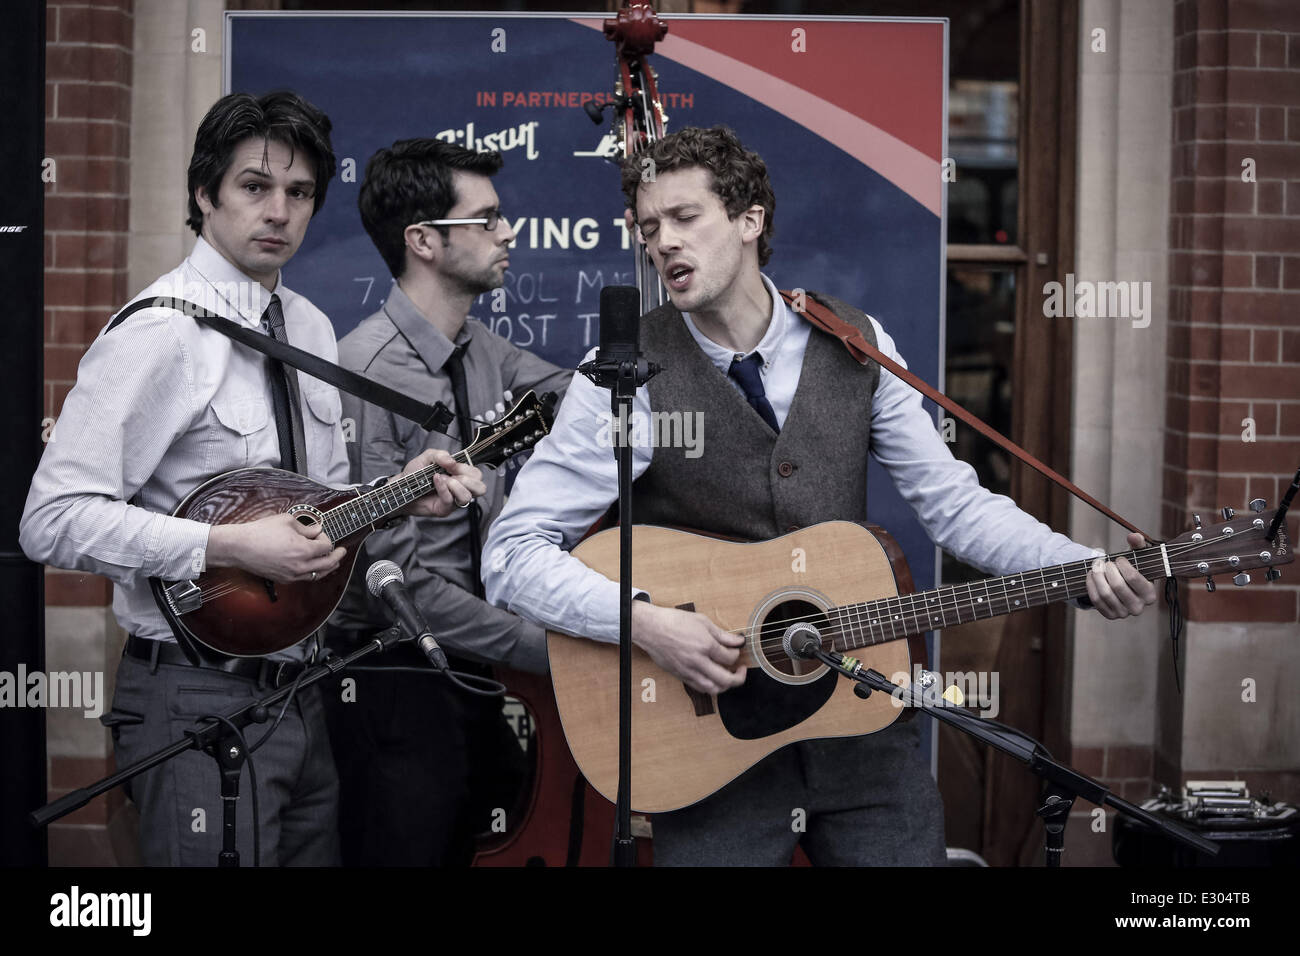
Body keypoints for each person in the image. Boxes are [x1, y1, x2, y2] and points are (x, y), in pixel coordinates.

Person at [482, 125, 1157, 866]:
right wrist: (646, 624)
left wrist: (1079, 568)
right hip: (710, 751)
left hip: (862, 729)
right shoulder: (622, 374)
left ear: (749, 219)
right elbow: (511, 555)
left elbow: (956, 507)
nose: (663, 242)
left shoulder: (854, 344)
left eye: (684, 217)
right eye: (648, 227)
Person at [19, 92, 484, 867]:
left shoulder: (309, 326)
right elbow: (52, 518)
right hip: (193, 695)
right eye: (254, 186)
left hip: (301, 692)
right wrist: (226, 546)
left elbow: (315, 515)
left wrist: (400, 496)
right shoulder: (160, 332)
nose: (279, 211)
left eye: (299, 193)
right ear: (205, 193)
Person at [323, 138, 571, 866]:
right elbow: (393, 585)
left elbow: (586, 397)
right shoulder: (365, 370)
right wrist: (557, 651)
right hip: (396, 677)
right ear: (424, 241)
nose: (508, 232)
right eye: (486, 219)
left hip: (475, 671)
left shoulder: (484, 350)